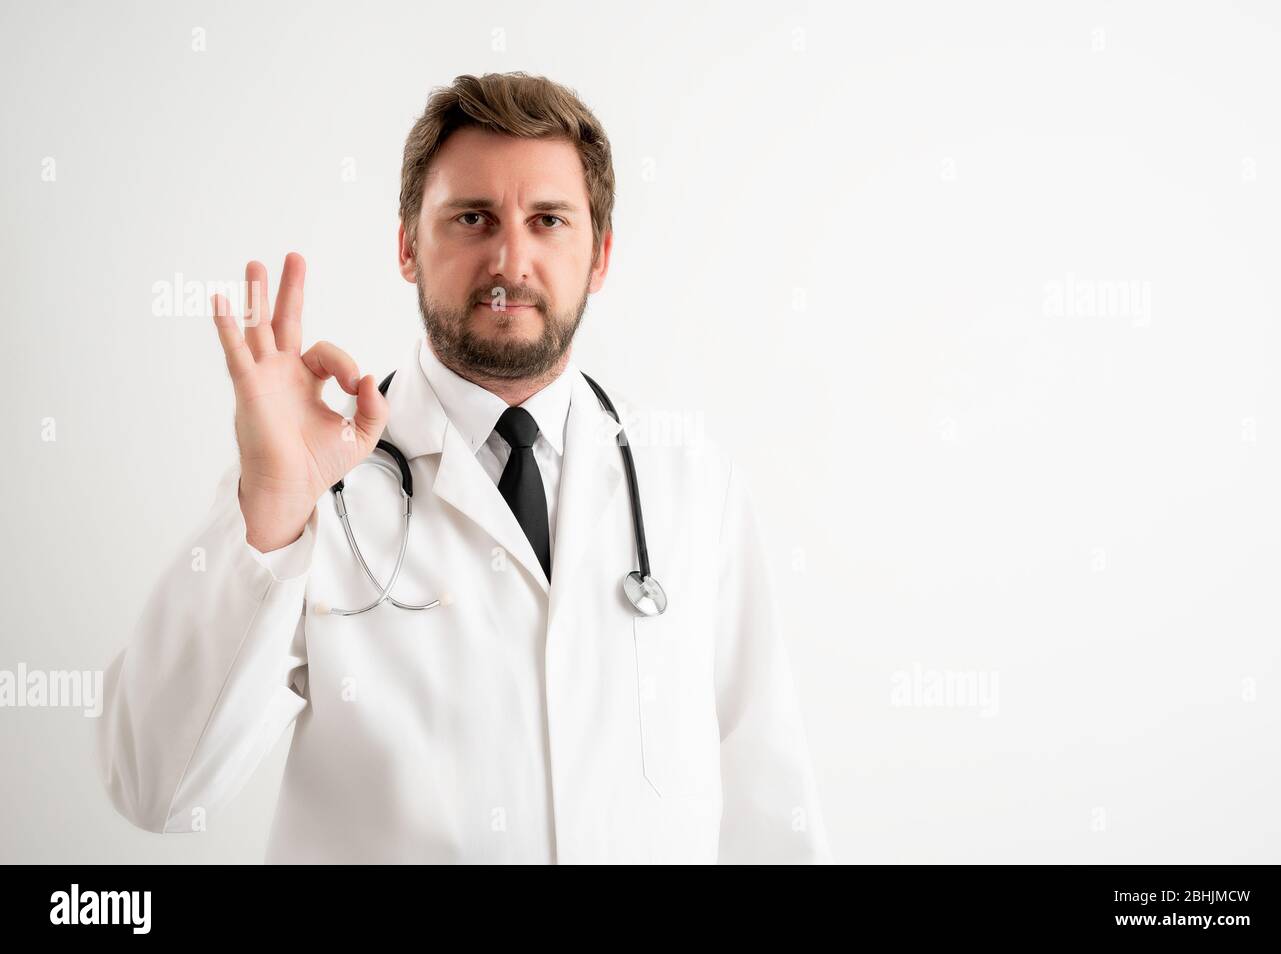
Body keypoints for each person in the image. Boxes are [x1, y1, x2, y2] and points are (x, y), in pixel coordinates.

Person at [96, 71, 833, 864]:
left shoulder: (692, 486)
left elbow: (768, 805)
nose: (509, 261)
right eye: (472, 218)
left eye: (548, 221)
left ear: (601, 256)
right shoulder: (314, 488)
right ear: (409, 246)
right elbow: (152, 787)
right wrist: (272, 504)